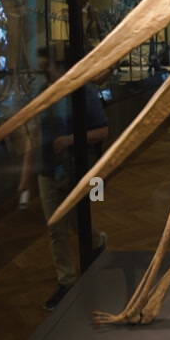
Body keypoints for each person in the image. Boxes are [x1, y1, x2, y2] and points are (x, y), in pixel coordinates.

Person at [23, 48, 110, 310]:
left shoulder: (84, 93)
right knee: (56, 225)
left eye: (46, 68)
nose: (43, 73)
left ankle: (96, 242)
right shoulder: (43, 93)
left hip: (74, 169)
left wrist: (69, 141)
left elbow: (102, 130)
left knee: (74, 218)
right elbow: (35, 133)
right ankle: (66, 281)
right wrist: (27, 174)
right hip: (48, 170)